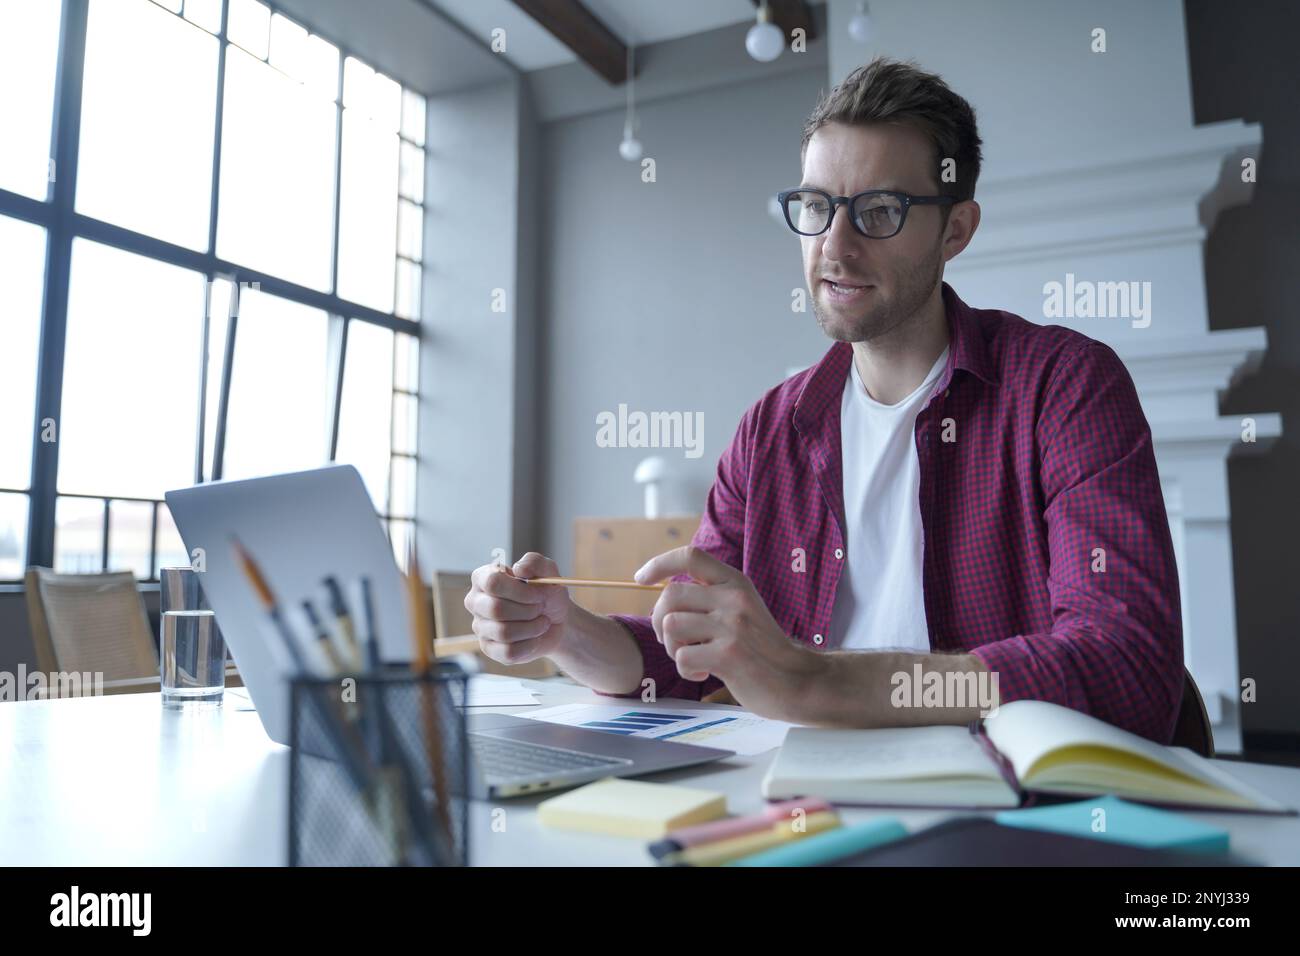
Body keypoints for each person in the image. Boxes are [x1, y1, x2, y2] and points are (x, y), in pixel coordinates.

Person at [464, 58, 1183, 743]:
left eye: (879, 211)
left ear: (955, 230)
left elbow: (1127, 665)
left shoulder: (1065, 386)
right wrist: (567, 632)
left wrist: (814, 684)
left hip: (1000, 809)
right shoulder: (769, 430)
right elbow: (694, 650)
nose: (834, 248)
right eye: (816, 206)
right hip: (797, 798)